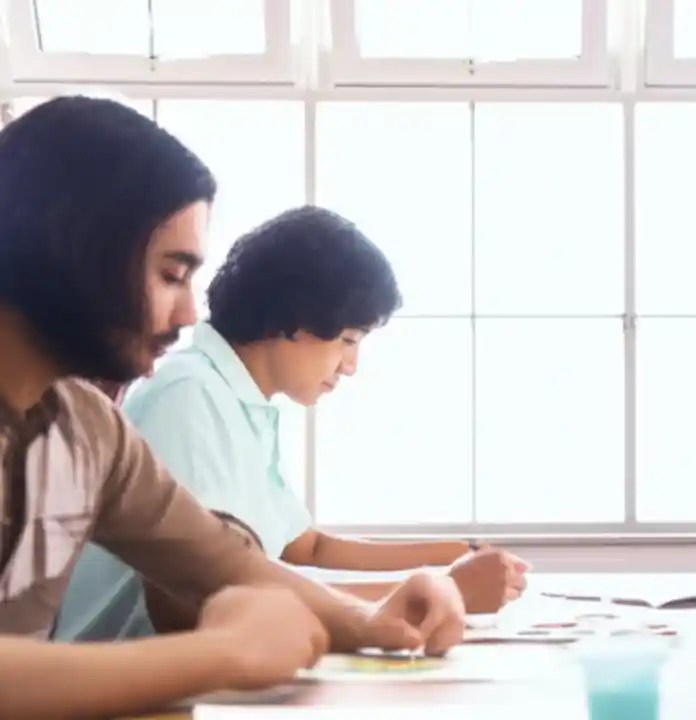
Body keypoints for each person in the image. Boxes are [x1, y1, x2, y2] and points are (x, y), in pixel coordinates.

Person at [0, 96, 464, 718]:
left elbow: (221, 563)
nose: (190, 314)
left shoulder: (90, 429)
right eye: (171, 275)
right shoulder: (181, 395)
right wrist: (220, 654)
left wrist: (380, 622)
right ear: (73, 250)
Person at [56, 207, 528, 643]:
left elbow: (307, 547)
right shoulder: (190, 394)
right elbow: (200, 596)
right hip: (128, 679)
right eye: (347, 340)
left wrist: (451, 553)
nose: (350, 366)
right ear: (298, 322)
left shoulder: (243, 400)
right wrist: (440, 591)